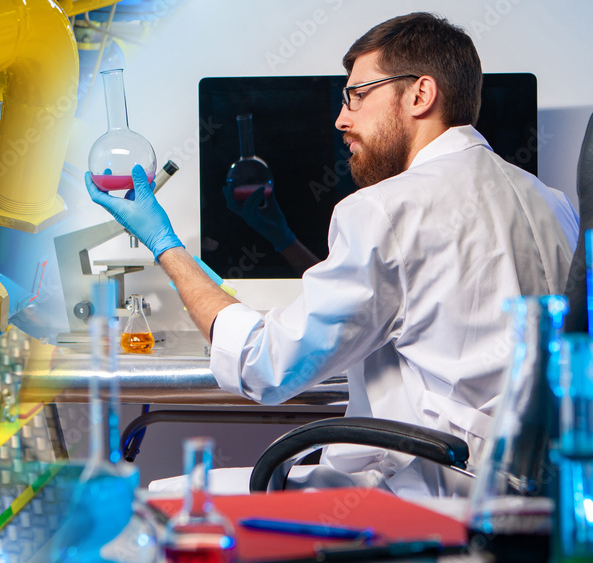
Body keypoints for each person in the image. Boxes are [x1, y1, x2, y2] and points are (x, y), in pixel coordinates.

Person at [85, 12, 579, 497]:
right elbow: (399, 295)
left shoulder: (384, 208)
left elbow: (265, 366)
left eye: (358, 96)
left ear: (420, 94)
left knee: (165, 496)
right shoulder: (552, 203)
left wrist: (166, 247)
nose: (341, 118)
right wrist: (281, 237)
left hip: (425, 499)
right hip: (530, 503)